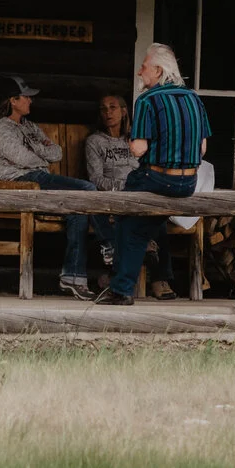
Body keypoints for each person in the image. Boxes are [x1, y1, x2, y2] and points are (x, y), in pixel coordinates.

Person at [96, 44, 210, 306]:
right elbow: (203, 148)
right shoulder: (194, 98)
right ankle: (158, 277)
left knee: (127, 221)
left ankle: (122, 289)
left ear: (157, 70)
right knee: (150, 221)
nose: (139, 72)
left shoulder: (148, 100)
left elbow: (139, 149)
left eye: (144, 67)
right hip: (189, 182)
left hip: (158, 179)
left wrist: (129, 142)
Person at [0, 75, 98, 298]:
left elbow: (57, 152)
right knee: (87, 189)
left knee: (79, 209)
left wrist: (39, 152)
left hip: (38, 181)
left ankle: (72, 277)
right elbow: (22, 159)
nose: (30, 101)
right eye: (26, 97)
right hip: (20, 185)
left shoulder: (30, 127)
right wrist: (41, 153)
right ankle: (109, 243)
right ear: (13, 100)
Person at [83, 92, 172, 296]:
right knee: (126, 222)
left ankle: (160, 280)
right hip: (112, 196)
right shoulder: (95, 142)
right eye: (103, 109)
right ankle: (132, 263)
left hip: (139, 194)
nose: (107, 113)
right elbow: (95, 179)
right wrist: (124, 188)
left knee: (159, 219)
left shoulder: (135, 140)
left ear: (124, 112)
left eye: (112, 107)